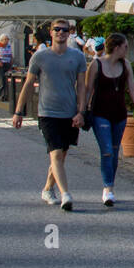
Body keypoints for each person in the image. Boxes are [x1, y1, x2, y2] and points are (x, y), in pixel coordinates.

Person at [12, 18, 88, 211]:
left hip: (69, 113)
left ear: (69, 33)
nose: (61, 33)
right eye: (57, 29)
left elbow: (81, 87)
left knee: (61, 156)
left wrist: (81, 111)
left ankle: (47, 189)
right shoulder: (40, 57)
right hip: (47, 113)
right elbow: (28, 84)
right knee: (55, 154)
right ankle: (66, 194)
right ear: (51, 32)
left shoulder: (77, 57)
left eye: (64, 30)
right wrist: (18, 111)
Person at [84, 33, 134, 206]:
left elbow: (132, 88)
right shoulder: (96, 64)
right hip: (100, 113)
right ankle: (107, 188)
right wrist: (81, 110)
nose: (127, 49)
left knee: (115, 151)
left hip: (119, 114)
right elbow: (88, 89)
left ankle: (110, 185)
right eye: (125, 46)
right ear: (117, 47)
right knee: (107, 150)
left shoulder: (126, 65)